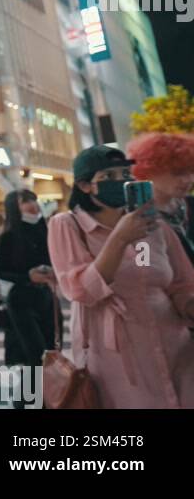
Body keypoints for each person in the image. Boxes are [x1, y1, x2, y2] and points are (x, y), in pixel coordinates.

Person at [48, 145, 194, 408]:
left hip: (172, 343)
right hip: (117, 354)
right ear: (85, 186)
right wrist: (119, 238)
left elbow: (162, 277)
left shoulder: (150, 225)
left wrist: (188, 304)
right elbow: (81, 291)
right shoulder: (68, 226)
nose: (122, 180)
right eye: (109, 177)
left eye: (126, 173)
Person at [0, 190, 60, 408]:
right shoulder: (8, 236)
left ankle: (44, 400)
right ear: (14, 208)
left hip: (47, 298)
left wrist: (55, 273)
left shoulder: (48, 230)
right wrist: (27, 276)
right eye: (25, 202)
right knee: (35, 354)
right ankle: (28, 403)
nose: (33, 205)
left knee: (51, 353)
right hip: (21, 301)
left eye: (34, 200)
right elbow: (2, 271)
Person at [127, 132, 194, 264]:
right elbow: (144, 266)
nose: (189, 180)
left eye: (192, 171)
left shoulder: (191, 205)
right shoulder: (137, 218)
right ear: (149, 170)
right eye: (178, 173)